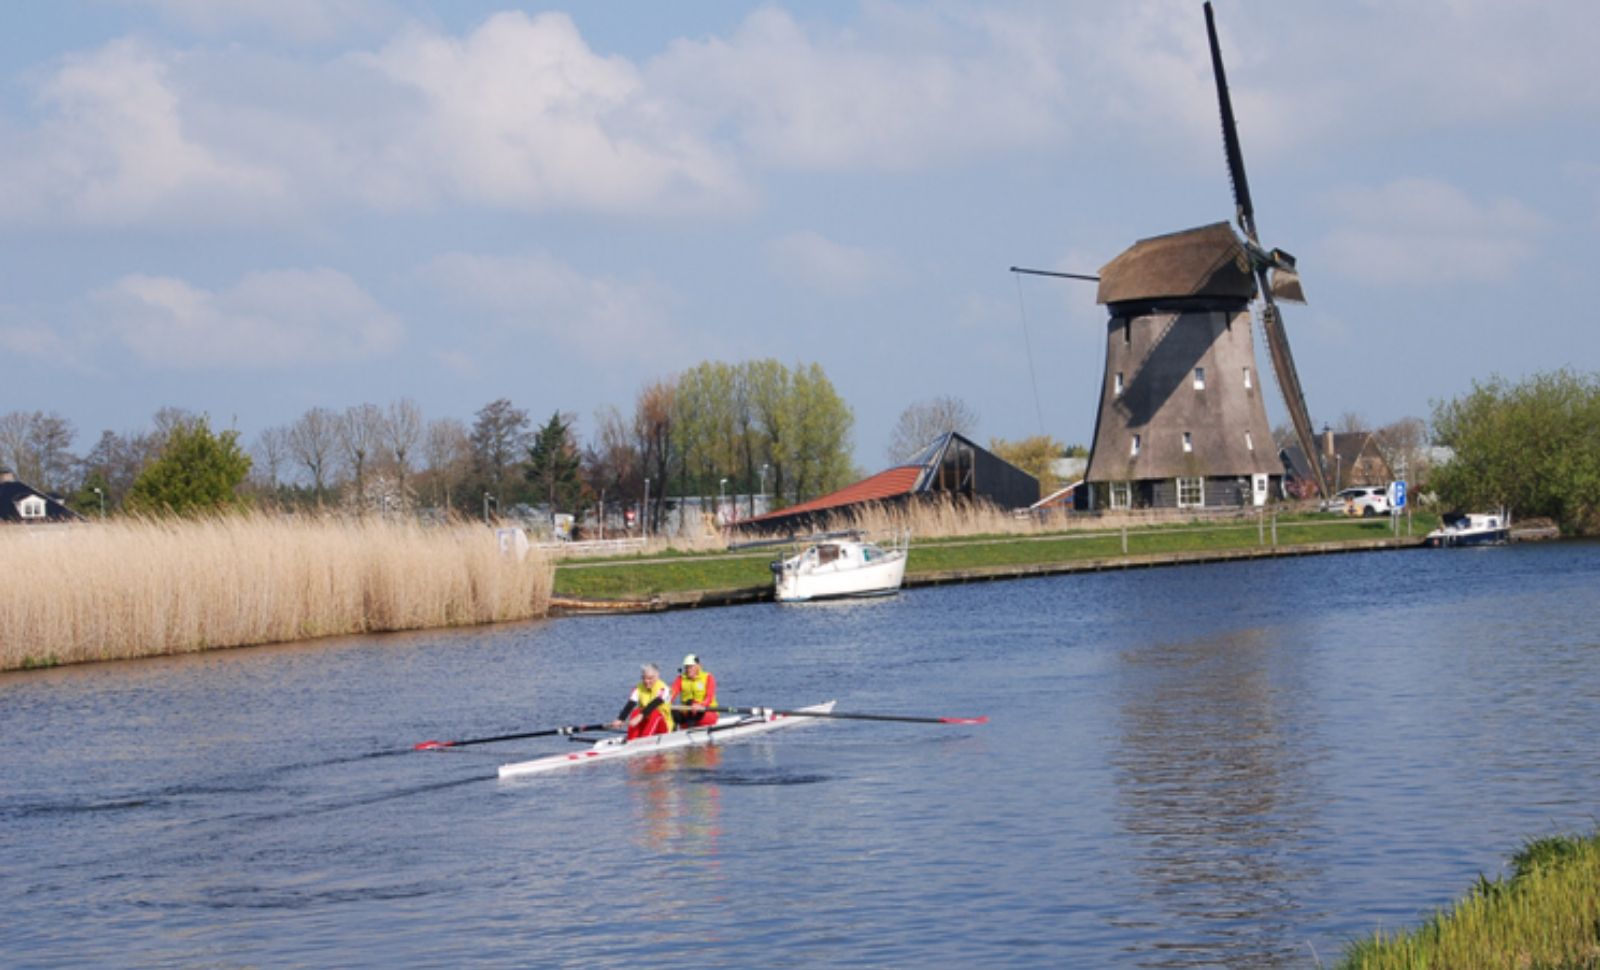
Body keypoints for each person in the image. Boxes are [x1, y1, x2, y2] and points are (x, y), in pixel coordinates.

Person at [611, 663, 674, 740]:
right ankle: (631, 739)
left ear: (657, 676)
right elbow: (631, 704)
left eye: (650, 678)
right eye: (644, 678)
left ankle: (645, 739)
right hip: (646, 721)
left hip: (663, 725)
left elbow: (653, 704)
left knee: (654, 713)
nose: (646, 681)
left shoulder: (664, 688)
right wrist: (621, 719)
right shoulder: (639, 687)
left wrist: (640, 717)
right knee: (636, 711)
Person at [671, 654, 719, 728]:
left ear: (698, 666)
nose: (688, 670)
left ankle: (692, 723)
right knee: (671, 712)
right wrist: (664, 702)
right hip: (688, 713)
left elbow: (709, 698)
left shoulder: (708, 677)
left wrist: (700, 705)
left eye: (691, 667)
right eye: (686, 667)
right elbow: (672, 694)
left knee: (691, 703)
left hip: (706, 712)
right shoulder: (680, 679)